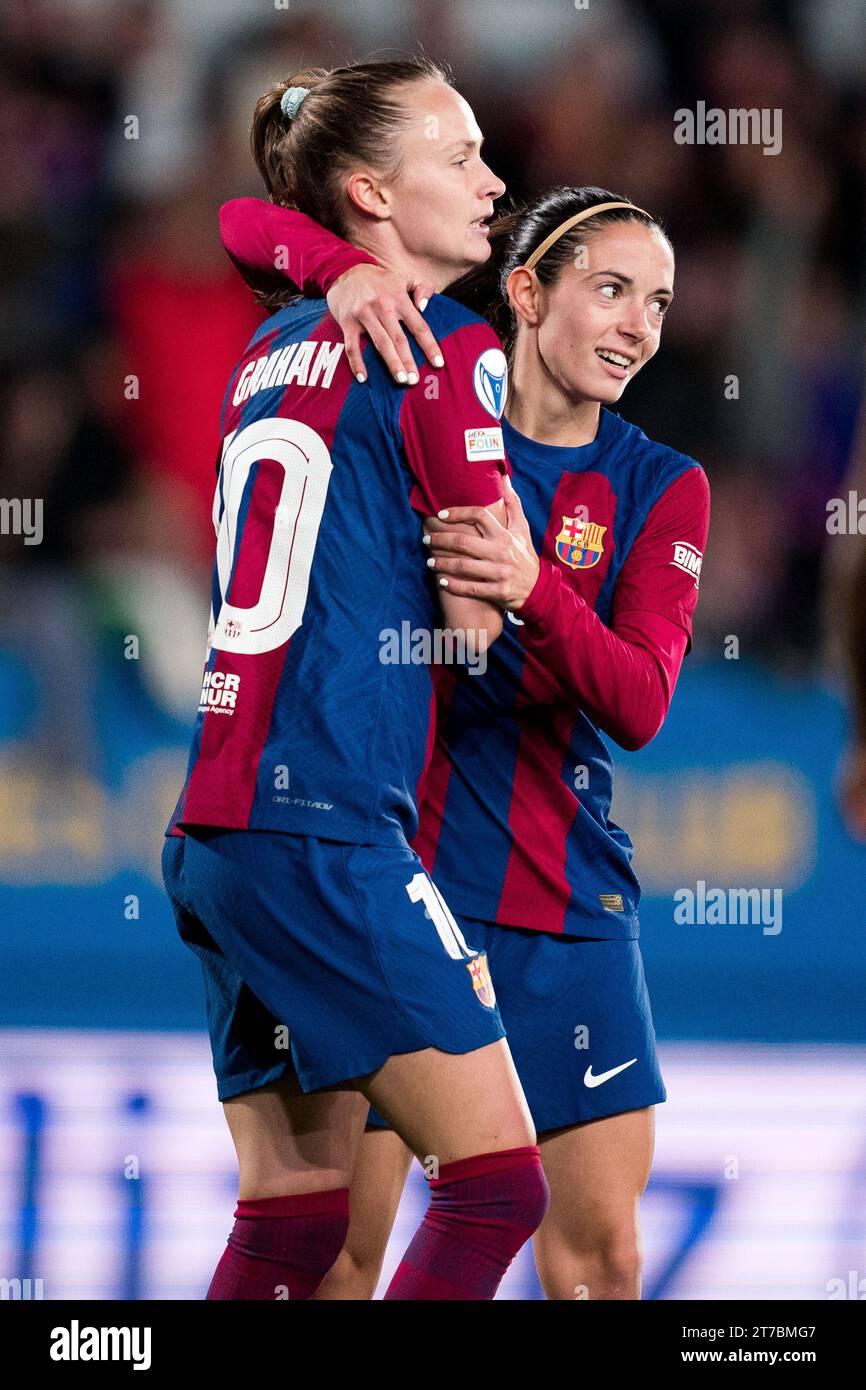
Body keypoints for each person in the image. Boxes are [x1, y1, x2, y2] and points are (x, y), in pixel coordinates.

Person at [219, 181, 711, 1299]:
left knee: (597, 1262)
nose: (639, 324)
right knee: (344, 1252)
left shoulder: (658, 484)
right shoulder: (423, 379)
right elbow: (246, 220)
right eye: (611, 289)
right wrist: (343, 268)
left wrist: (534, 587)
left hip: (560, 901)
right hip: (395, 883)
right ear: (526, 292)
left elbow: (637, 701)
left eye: (660, 302)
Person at [162, 57, 551, 1303]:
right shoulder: (448, 349)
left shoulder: (276, 335)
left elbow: (244, 220)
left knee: (294, 1218)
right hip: (327, 823)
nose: (494, 180)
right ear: (374, 193)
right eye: (462, 157)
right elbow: (472, 627)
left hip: (219, 827)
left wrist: (325, 260)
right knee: (497, 1185)